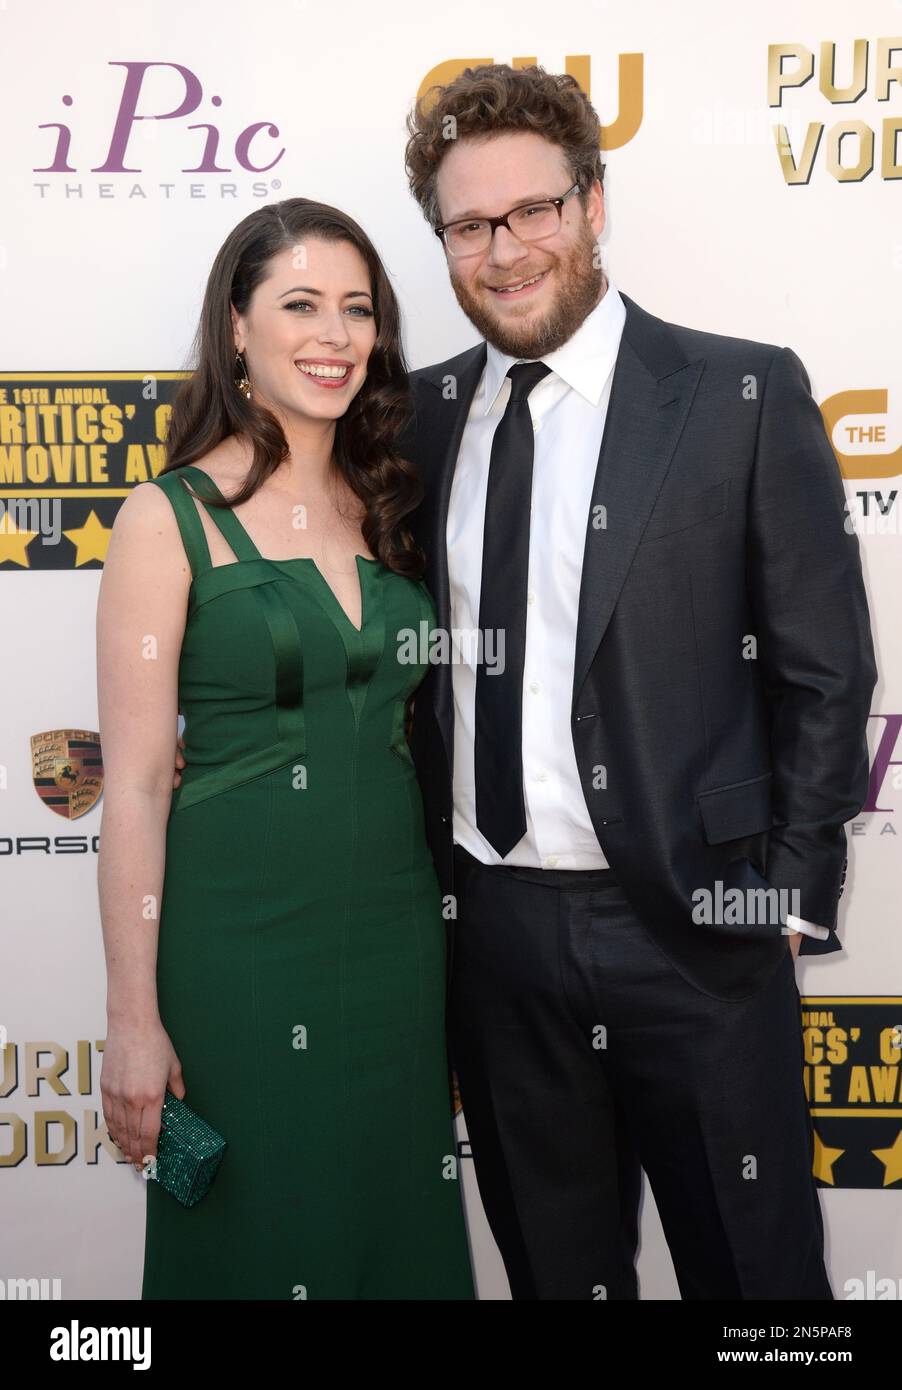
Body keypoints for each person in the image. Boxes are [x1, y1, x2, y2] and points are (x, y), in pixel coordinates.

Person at [395, 63, 877, 1299]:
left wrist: (787, 892)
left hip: (697, 930)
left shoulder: (738, 393)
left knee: (757, 1287)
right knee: (558, 1279)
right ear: (441, 237)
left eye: (532, 211)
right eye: (467, 225)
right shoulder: (419, 418)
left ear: (592, 202)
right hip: (492, 937)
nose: (503, 251)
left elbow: (825, 671)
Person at [97, 198, 474, 1300]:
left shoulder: (395, 504)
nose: (334, 335)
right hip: (235, 958)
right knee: (255, 1241)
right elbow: (129, 787)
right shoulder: (166, 518)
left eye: (357, 310)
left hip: (396, 949)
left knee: (388, 1229)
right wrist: (130, 1020)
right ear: (234, 327)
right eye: (299, 304)